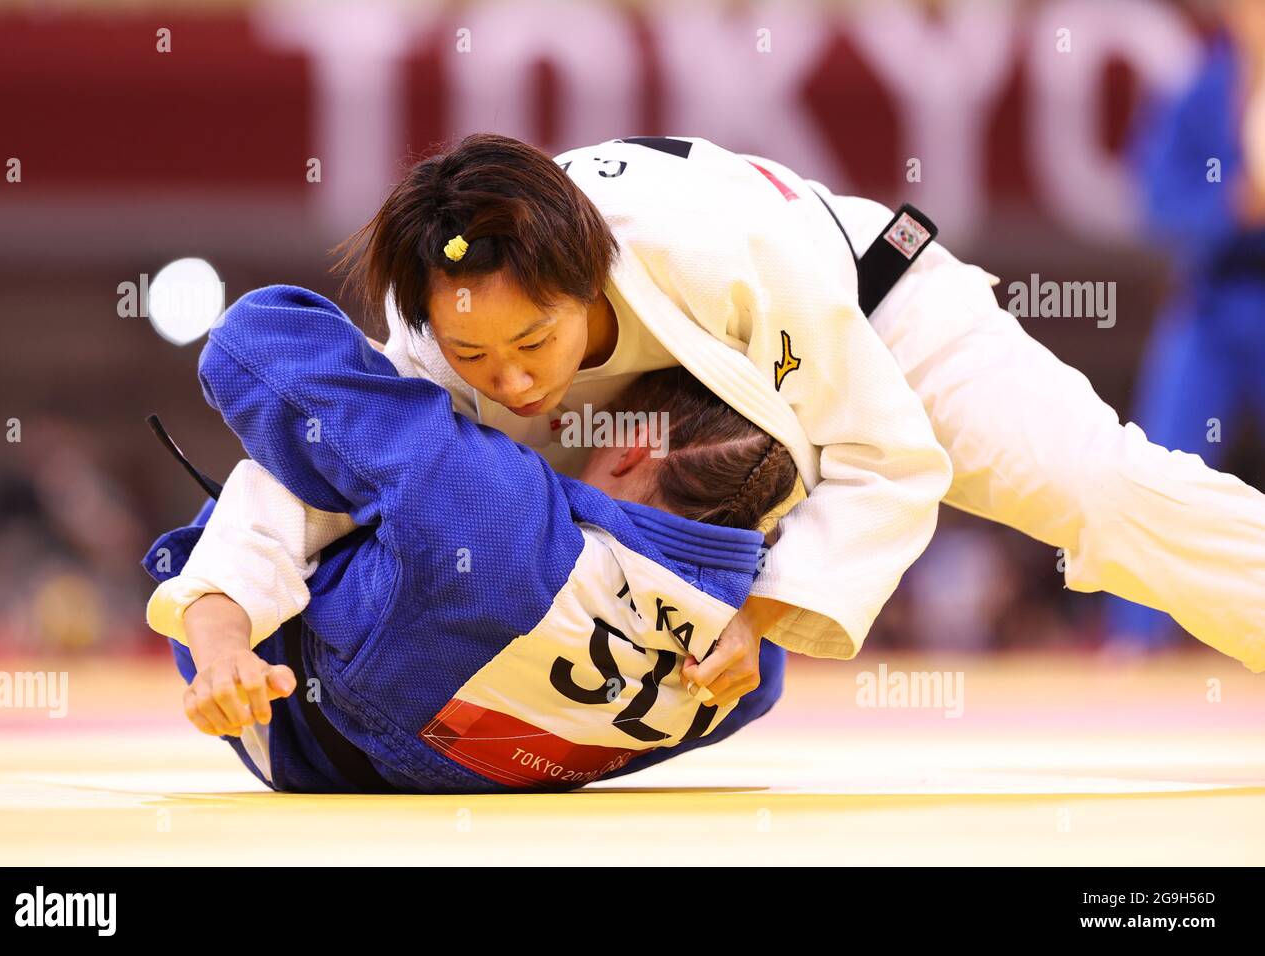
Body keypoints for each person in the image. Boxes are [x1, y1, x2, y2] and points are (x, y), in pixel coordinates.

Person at [169, 131, 1265, 703]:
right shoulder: (437, 342)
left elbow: (881, 451)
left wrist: (772, 614)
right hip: (712, 419)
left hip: (881, 320)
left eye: (533, 345)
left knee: (1099, 490)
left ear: (588, 278)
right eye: (474, 356)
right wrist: (220, 628)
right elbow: (313, 465)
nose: (507, 385)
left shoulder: (713, 248)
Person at [144, 284, 804, 793]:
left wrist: (431, 381)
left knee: (321, 460)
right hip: (392, 767)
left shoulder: (495, 509)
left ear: (635, 446)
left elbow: (253, 338)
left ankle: (220, 638)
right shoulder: (749, 674)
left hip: (278, 702)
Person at [1108, 0, 1265, 652]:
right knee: (1164, 464)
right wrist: (1232, 207)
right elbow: (1156, 202)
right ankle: (1136, 640)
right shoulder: (1200, 88)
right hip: (1214, 304)